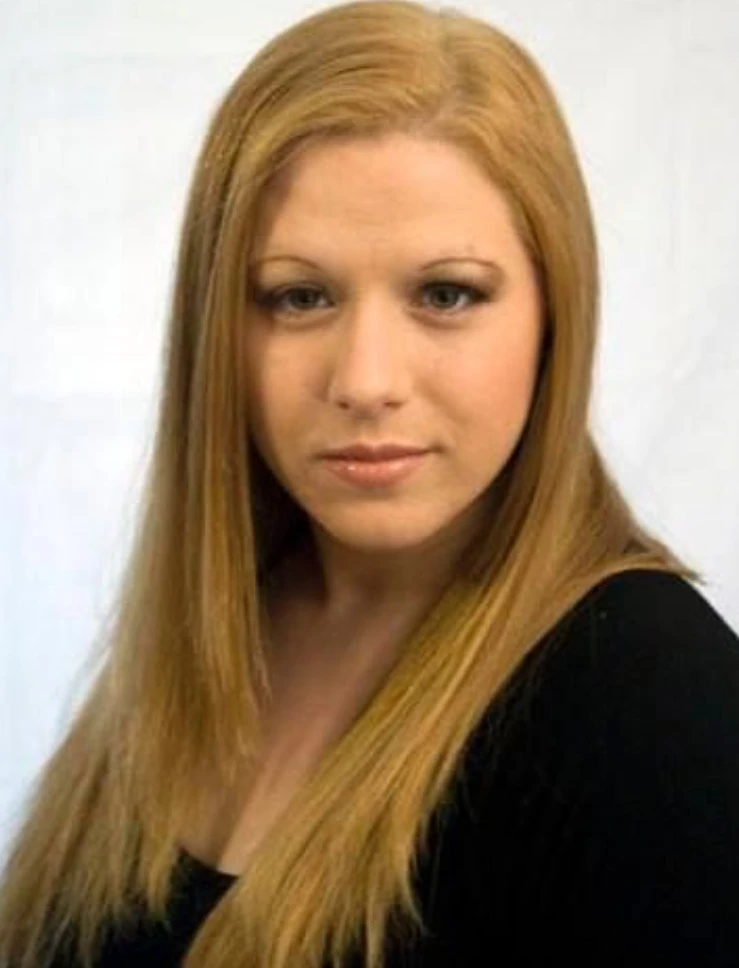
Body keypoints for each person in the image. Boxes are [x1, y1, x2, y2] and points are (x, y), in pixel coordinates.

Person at [1, 1, 738, 965]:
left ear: (555, 314)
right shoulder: (221, 622)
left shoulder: (654, 700)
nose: (364, 381)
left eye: (445, 294)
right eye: (299, 297)